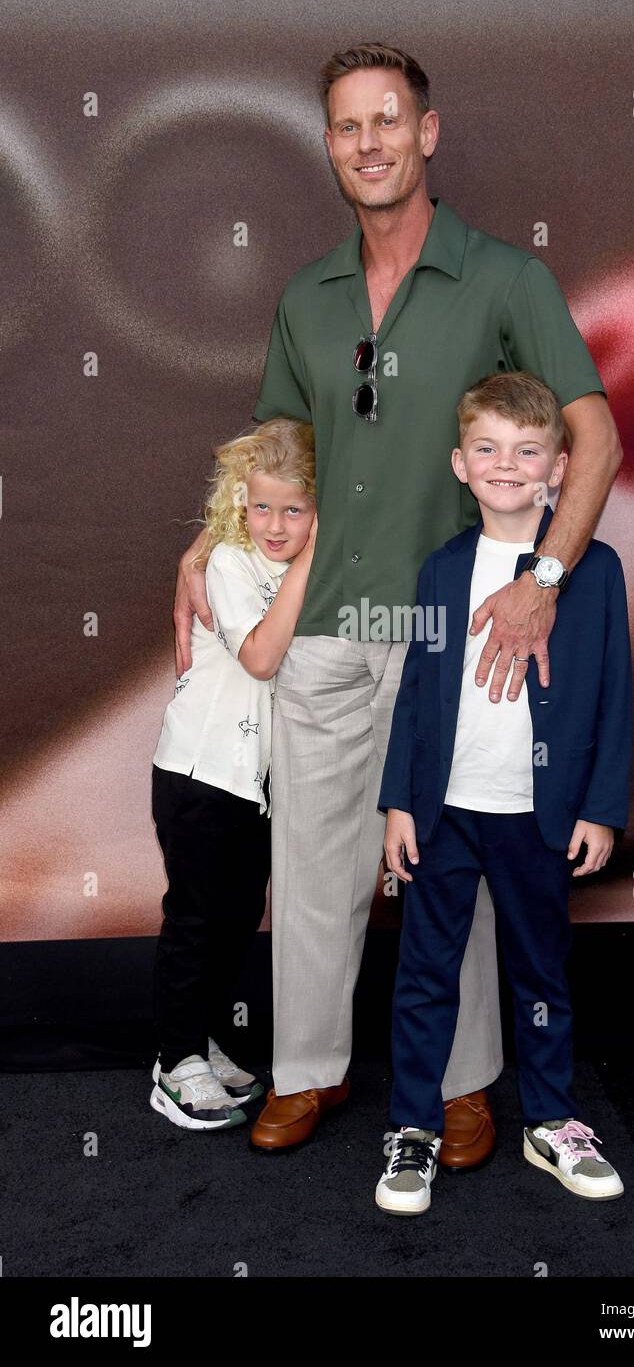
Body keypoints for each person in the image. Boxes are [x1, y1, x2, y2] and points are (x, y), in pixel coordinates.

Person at [173, 42, 623, 1167]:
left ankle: (467, 1085)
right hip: (326, 623)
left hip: (454, 636)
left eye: (387, 120)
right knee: (315, 865)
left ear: (427, 133)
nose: (367, 142)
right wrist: (205, 547)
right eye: (345, 126)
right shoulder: (304, 296)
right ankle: (307, 1071)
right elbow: (274, 464)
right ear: (328, 146)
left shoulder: (507, 278)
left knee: (455, 868)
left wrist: (543, 583)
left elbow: (596, 437)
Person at [375, 371, 632, 1214]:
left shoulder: (595, 570)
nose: (506, 464)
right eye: (487, 449)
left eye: (527, 451)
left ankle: (551, 1120)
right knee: (425, 973)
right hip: (446, 811)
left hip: (538, 814)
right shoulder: (443, 569)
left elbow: (614, 691)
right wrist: (401, 802)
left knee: (541, 975)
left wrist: (600, 804)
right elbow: (417, 690)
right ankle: (412, 1129)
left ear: (560, 465)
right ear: (459, 463)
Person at [150, 418, 317, 1129]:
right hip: (199, 772)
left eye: (293, 509)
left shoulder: (311, 559)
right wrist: (318, 554)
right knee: (196, 917)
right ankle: (173, 1064)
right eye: (260, 506)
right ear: (237, 504)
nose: (274, 526)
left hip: (258, 783)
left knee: (236, 918)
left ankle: (202, 1040)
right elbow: (260, 657)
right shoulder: (225, 561)